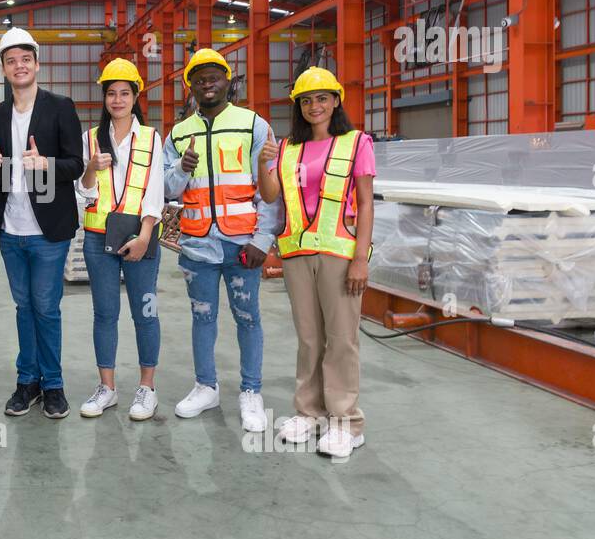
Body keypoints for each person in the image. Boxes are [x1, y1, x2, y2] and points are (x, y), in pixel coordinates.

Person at [256, 66, 374, 459]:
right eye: (306, 100)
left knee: (341, 339)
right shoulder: (289, 148)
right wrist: (263, 164)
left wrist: (361, 258)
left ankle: (345, 422)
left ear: (336, 101)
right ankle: (308, 412)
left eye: (322, 98)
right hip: (296, 255)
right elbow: (271, 195)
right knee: (309, 339)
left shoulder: (356, 143)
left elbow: (367, 201)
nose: (314, 106)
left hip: (340, 254)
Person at [162, 48, 283, 433]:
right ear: (191, 87)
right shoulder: (179, 133)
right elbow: (163, 187)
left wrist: (263, 240)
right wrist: (181, 171)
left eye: (214, 76)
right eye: (198, 79)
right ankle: (206, 386)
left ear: (228, 80)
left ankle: (251, 391)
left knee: (247, 318)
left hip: (242, 246)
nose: (207, 83)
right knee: (203, 319)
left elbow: (271, 188)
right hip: (197, 246)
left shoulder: (253, 125)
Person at [0, 27, 85, 419]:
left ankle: (53, 384)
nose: (19, 66)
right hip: (11, 230)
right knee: (23, 307)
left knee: (46, 307)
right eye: (11, 61)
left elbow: (76, 164)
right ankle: (28, 382)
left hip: (49, 231)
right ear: (4, 70)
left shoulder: (60, 107)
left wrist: (48, 165)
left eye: (25, 58)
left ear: (37, 64)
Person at [76, 59, 165, 421]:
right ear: (104, 98)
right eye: (111, 93)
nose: (117, 100)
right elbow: (82, 193)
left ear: (135, 96)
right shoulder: (90, 138)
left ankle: (147, 389)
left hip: (141, 238)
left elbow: (155, 190)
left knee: (145, 313)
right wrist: (90, 168)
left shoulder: (151, 137)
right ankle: (107, 389)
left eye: (124, 93)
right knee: (105, 314)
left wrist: (145, 235)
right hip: (99, 240)